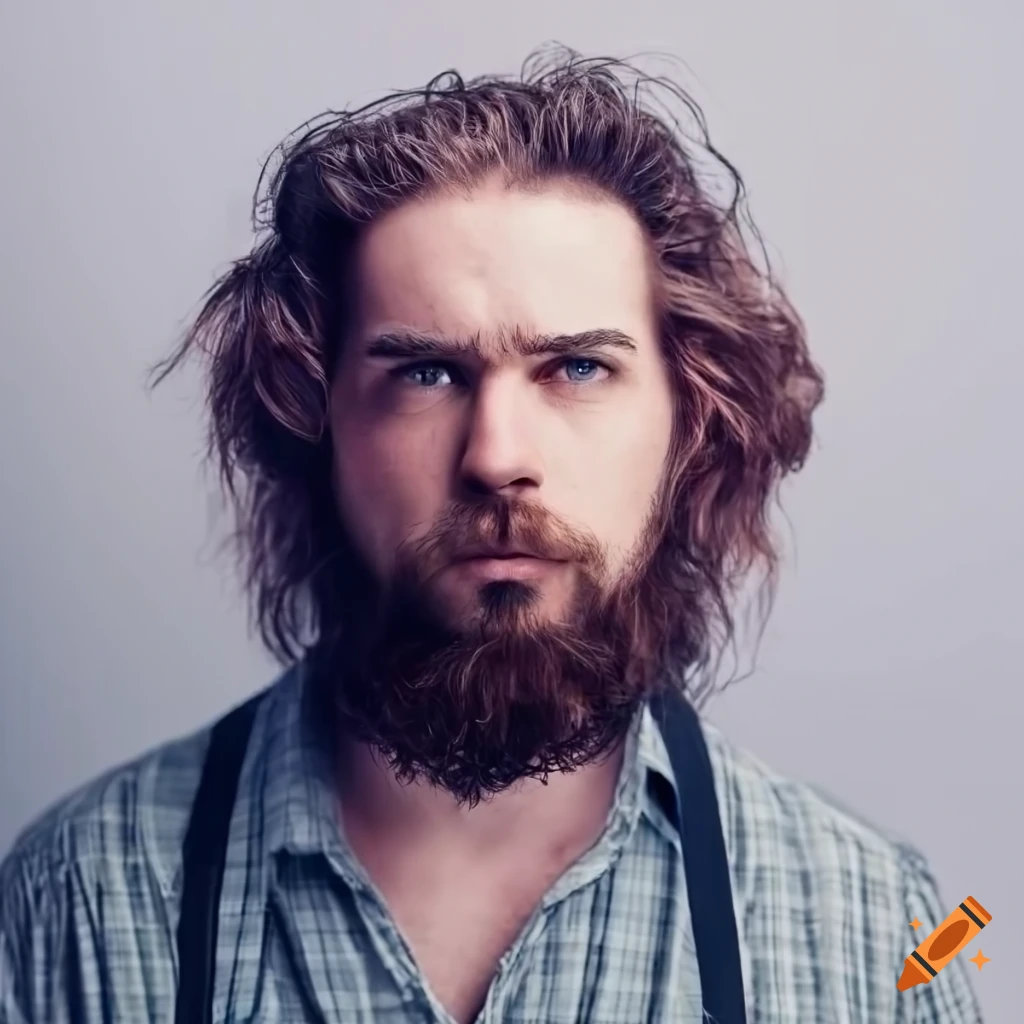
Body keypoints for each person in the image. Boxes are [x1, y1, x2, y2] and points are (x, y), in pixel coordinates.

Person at [0, 49, 983, 1024]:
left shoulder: (869, 930)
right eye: (426, 373)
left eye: (578, 369)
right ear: (315, 421)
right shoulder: (82, 900)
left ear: (690, 422)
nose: (497, 456)